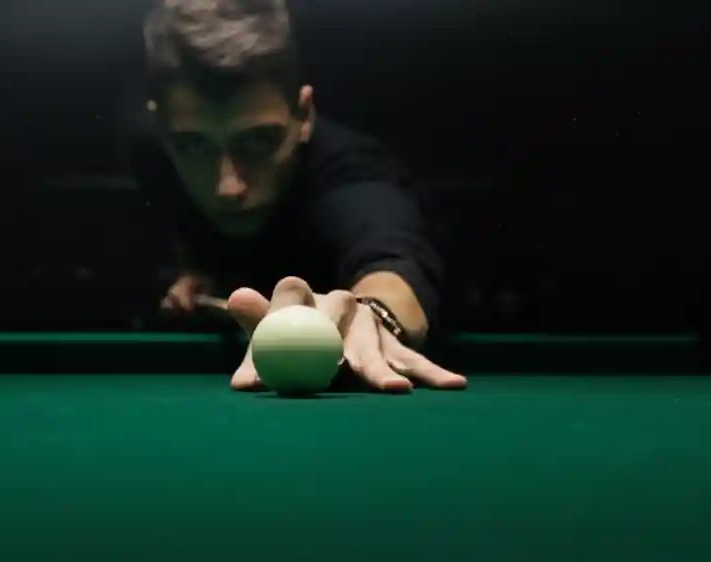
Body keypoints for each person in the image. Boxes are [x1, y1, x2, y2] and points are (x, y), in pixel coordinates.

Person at [130, 0, 466, 392]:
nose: (229, 186)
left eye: (259, 141)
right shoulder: (146, 149)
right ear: (160, 126)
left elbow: (393, 253)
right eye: (193, 145)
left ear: (304, 115)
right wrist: (195, 268)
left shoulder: (350, 170)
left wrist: (373, 314)